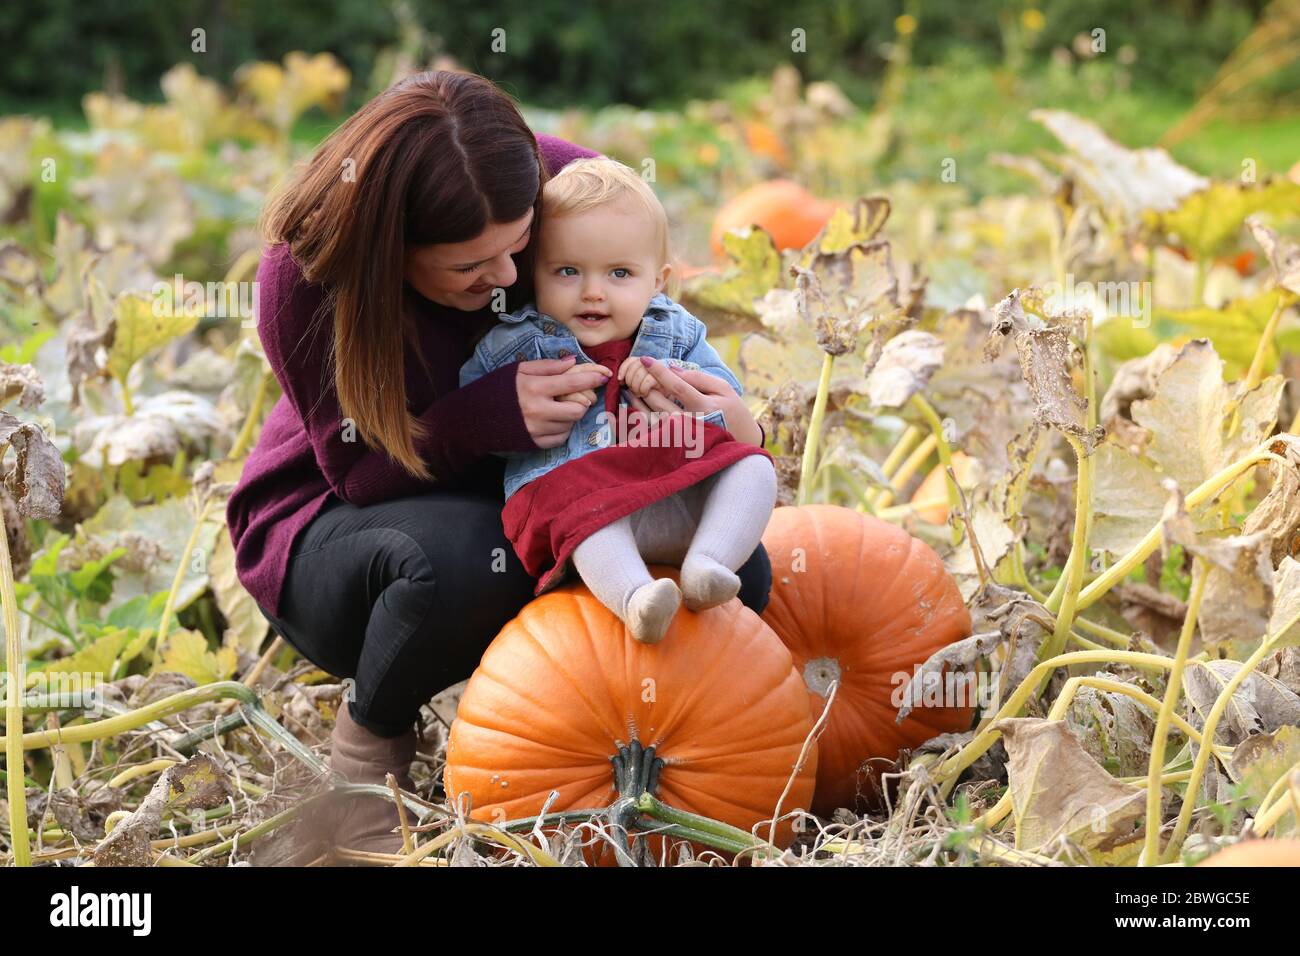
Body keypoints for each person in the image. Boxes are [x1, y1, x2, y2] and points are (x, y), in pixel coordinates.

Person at [224, 70, 774, 858]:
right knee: (469, 564)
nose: (510, 280)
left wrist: (718, 415)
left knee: (738, 580)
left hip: (547, 496)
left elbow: (658, 316)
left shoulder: (566, 185)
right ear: (394, 246)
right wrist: (485, 418)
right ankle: (366, 745)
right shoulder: (307, 275)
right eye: (471, 267)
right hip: (335, 525)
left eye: (521, 248)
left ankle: (635, 755)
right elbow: (355, 471)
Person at [460, 158, 777, 645]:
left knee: (756, 468)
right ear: (533, 276)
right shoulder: (517, 344)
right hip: (590, 516)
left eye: (620, 274)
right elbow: (475, 423)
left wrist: (673, 380)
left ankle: (707, 565)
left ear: (658, 280)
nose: (593, 292)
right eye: (567, 271)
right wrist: (512, 411)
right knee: (585, 510)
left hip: (677, 492)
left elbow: (723, 398)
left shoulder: (675, 333)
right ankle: (635, 599)